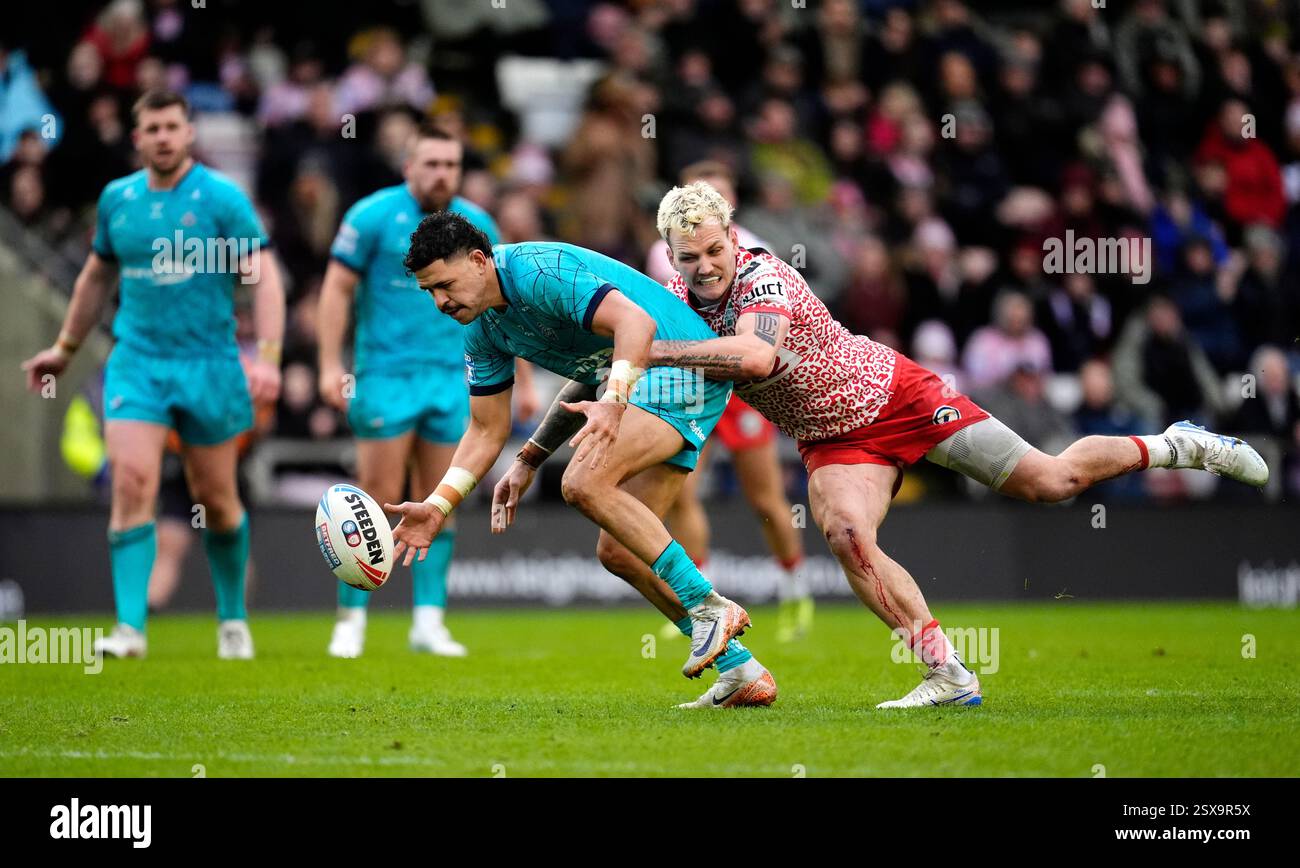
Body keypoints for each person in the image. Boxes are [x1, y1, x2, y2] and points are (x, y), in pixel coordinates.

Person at [642, 181, 1266, 707]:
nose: (705, 266)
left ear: (733, 237)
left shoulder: (762, 277)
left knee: (1050, 483)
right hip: (831, 440)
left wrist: (646, 351)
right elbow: (649, 357)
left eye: (714, 250)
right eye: (689, 258)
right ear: (670, 258)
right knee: (845, 536)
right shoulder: (676, 304)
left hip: (897, 397)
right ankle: (947, 673)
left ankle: (1178, 445)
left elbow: (754, 357)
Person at [389, 211, 775, 709]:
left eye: (444, 284)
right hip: (646, 383)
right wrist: (442, 503)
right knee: (618, 553)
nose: (439, 301)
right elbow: (487, 428)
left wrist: (613, 401)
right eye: (429, 292)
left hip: (682, 369)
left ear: (480, 261)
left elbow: (635, 324)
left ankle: (707, 606)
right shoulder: (482, 330)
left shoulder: (537, 271)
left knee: (582, 483)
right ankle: (739, 668)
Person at [20, 89, 286, 659]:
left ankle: (233, 618)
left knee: (215, 499)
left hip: (209, 365)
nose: (163, 137)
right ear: (137, 137)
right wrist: (64, 349)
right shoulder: (118, 200)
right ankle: (131, 628)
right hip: (137, 363)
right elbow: (95, 277)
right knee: (131, 480)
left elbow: (264, 275)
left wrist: (266, 356)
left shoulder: (221, 199)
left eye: (172, 126)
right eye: (152, 128)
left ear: (188, 133)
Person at [317, 122, 538, 659]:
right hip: (385, 376)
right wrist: (328, 364)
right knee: (373, 499)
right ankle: (352, 619)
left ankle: (429, 621)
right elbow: (336, 289)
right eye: (431, 163)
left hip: (454, 376)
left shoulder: (476, 222)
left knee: (441, 496)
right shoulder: (370, 216)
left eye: (451, 165)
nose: (442, 174)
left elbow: (505, 302)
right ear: (408, 165)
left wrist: (525, 378)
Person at [646, 161, 809, 643]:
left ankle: (795, 589)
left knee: (765, 497)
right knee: (684, 494)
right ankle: (703, 599)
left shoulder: (759, 250)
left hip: (740, 389)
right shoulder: (666, 253)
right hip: (695, 385)